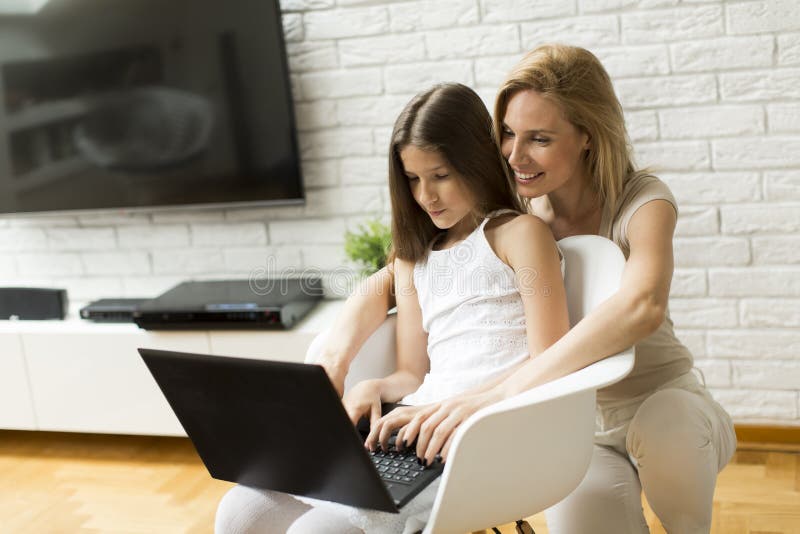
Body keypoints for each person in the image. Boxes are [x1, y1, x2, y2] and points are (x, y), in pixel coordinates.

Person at [317, 44, 737, 534]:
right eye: (508, 134)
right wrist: (336, 360)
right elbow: (392, 277)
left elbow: (640, 306)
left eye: (538, 138)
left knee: (669, 428)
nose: (515, 156)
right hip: (582, 428)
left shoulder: (641, 200)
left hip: (663, 403)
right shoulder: (519, 212)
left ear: (587, 136)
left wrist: (492, 396)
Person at [215, 82, 570, 533]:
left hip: (487, 436)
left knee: (318, 530)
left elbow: (550, 362)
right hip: (416, 432)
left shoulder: (520, 235)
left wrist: (461, 406)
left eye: (440, 175)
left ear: (476, 161)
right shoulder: (415, 259)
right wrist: (377, 386)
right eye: (413, 179)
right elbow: (412, 373)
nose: (426, 196)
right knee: (241, 508)